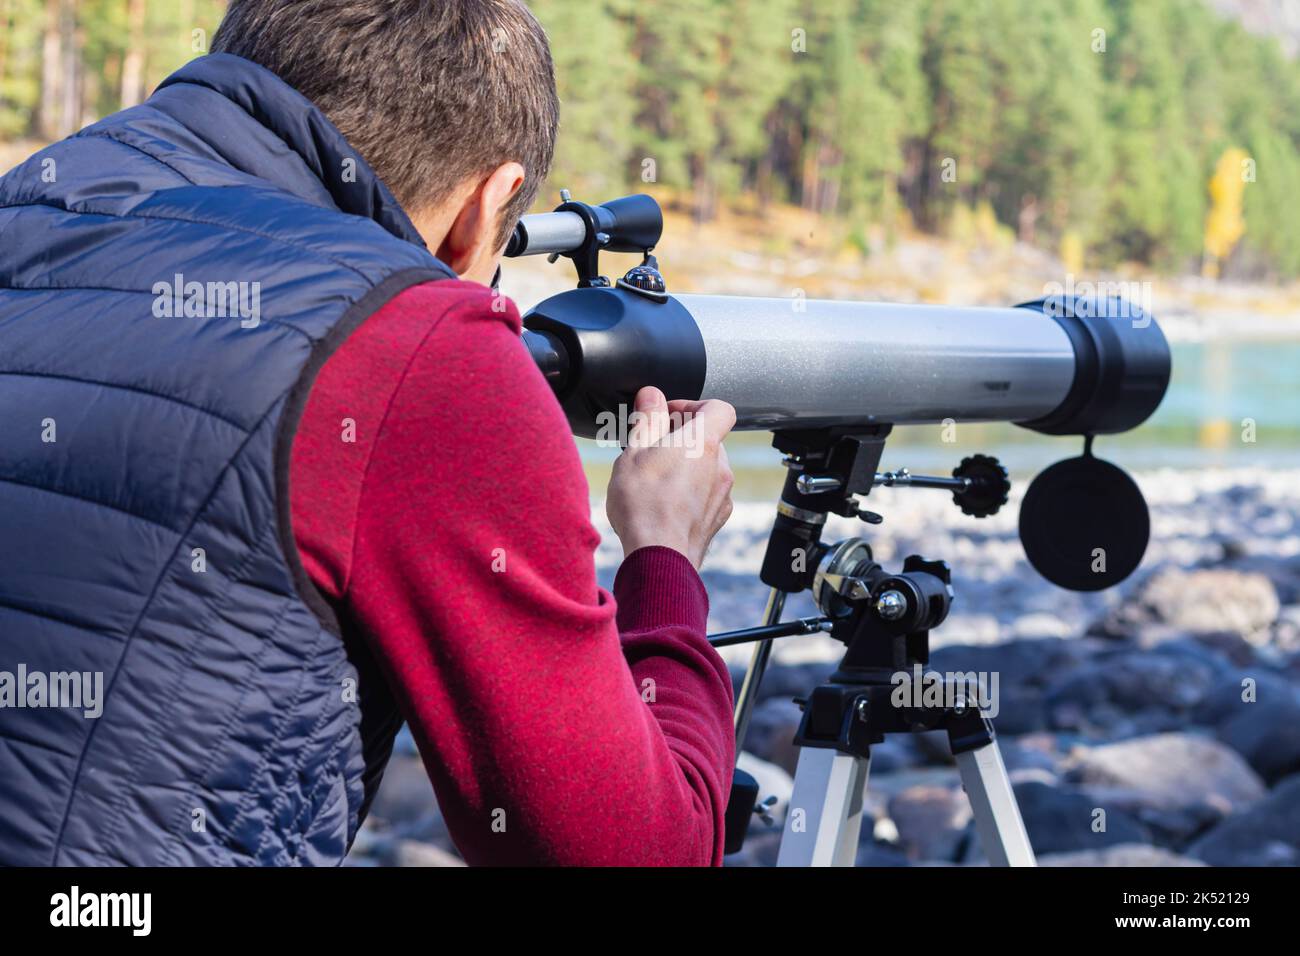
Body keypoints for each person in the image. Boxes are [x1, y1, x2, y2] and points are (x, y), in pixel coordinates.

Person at [0, 0, 737, 866]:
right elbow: (628, 853)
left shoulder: (29, 201)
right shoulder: (413, 343)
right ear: (490, 203)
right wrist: (664, 554)